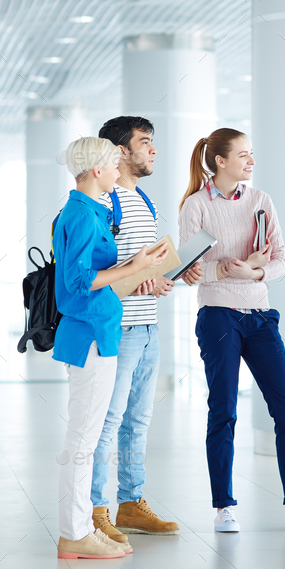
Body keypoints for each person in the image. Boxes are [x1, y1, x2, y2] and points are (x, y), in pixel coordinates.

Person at [178, 128, 285, 534]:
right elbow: (187, 271)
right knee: (224, 410)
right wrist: (228, 268)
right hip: (219, 316)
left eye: (251, 154)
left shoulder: (261, 201)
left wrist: (256, 271)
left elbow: (281, 260)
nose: (251, 161)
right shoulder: (196, 206)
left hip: (261, 315)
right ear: (219, 161)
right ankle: (223, 507)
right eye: (243, 155)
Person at [53, 137, 169, 560]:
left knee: (87, 436)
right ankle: (74, 533)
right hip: (88, 335)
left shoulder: (89, 210)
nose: (119, 170)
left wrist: (135, 270)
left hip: (100, 332)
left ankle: (82, 527)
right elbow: (79, 282)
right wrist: (136, 266)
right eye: (112, 164)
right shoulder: (82, 214)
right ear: (96, 170)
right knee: (83, 440)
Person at [90, 116, 203, 544]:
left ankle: (130, 503)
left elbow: (145, 263)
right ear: (120, 151)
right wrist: (140, 279)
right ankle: (97, 511)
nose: (153, 150)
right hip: (118, 326)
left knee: (137, 421)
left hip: (148, 326)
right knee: (109, 420)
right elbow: (96, 269)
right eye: (145, 142)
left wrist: (175, 272)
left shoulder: (145, 200)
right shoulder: (104, 200)